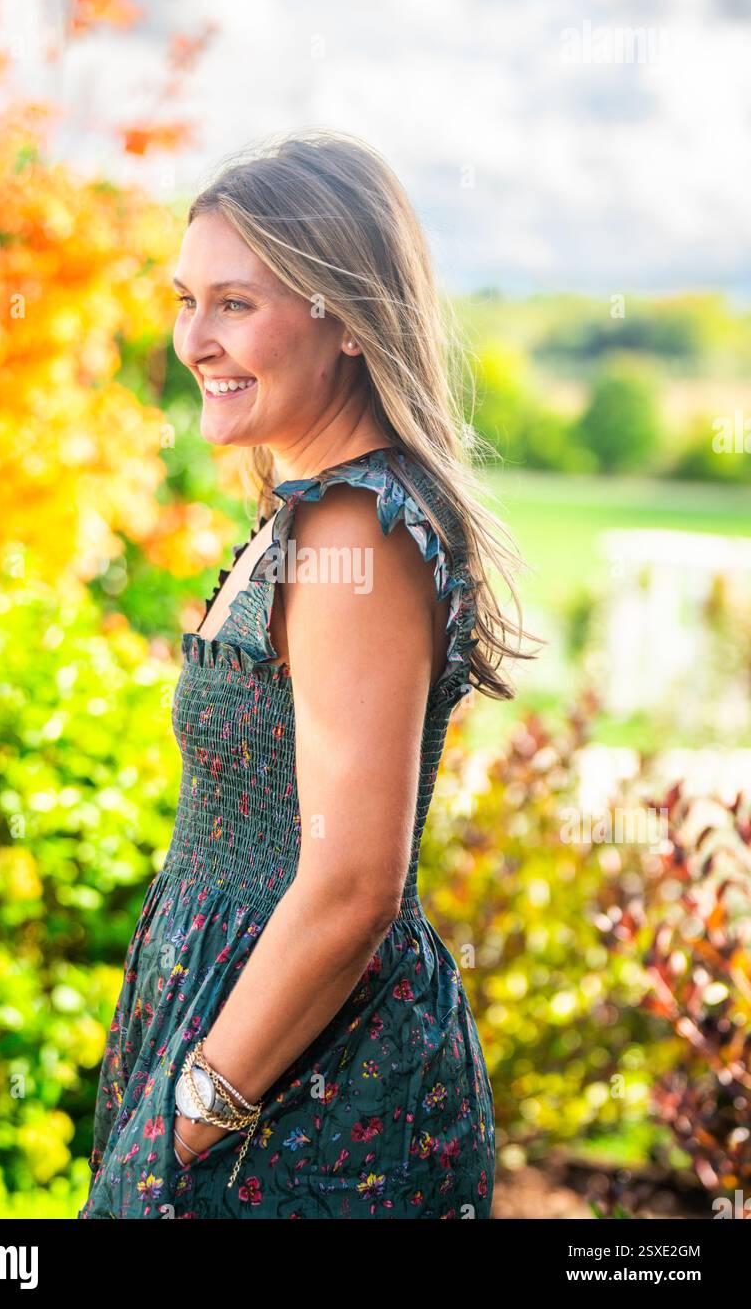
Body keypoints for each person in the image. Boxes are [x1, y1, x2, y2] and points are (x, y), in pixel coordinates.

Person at [78, 130, 535, 1220]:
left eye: (234, 303)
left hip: (302, 1091)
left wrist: (196, 1109)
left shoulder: (353, 530)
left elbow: (349, 884)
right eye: (187, 298)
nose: (194, 338)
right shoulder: (310, 512)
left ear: (340, 314)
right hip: (248, 1043)